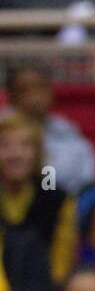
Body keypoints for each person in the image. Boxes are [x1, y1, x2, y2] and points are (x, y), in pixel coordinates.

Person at [0, 111, 77, 282]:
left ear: (38, 152)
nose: (15, 155)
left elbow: (60, 269)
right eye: (4, 145)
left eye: (25, 145)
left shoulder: (58, 200)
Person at [4, 67, 95, 196]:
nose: (35, 97)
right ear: (11, 96)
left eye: (40, 88)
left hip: (65, 201)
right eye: (25, 90)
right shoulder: (3, 128)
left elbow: (86, 176)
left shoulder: (66, 129)